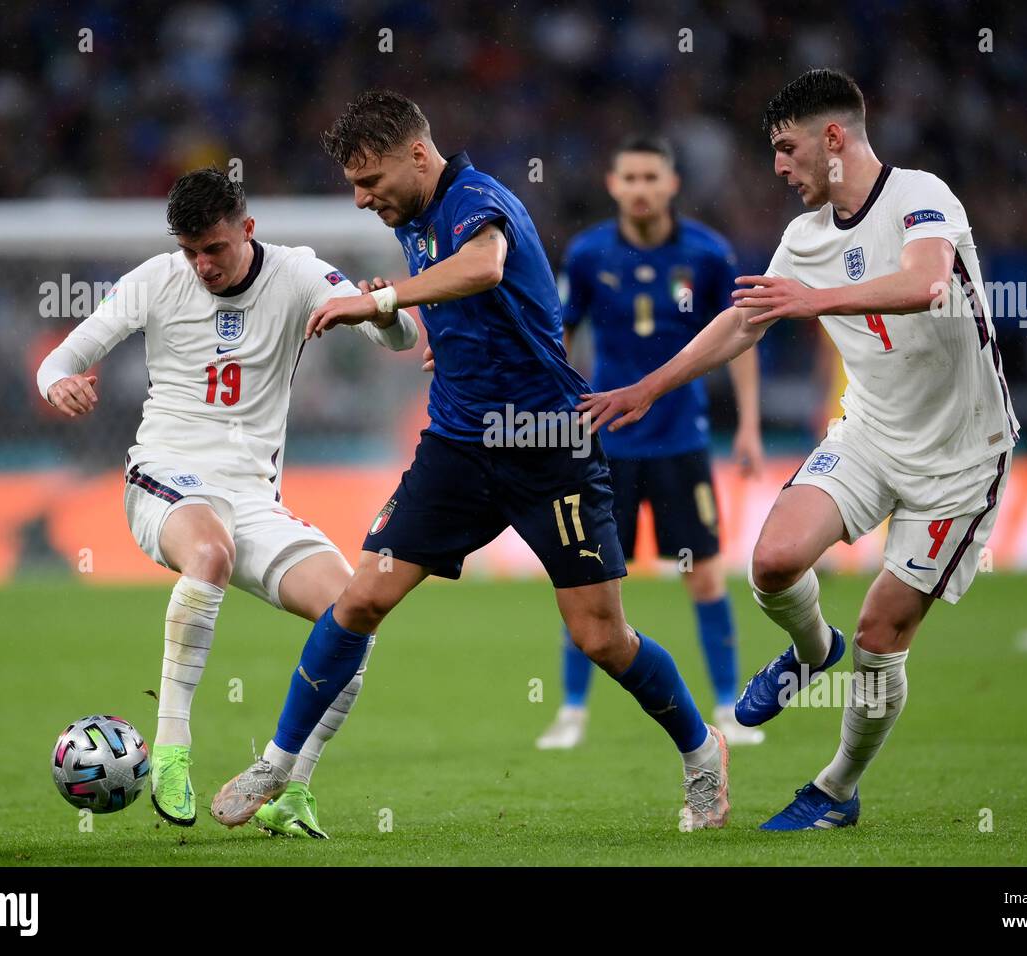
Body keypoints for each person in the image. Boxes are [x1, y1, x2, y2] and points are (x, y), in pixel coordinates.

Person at [211, 90, 730, 834]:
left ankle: (702, 753)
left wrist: (381, 300)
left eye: (369, 181)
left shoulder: (475, 200)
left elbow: (484, 266)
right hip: (456, 449)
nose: (360, 200)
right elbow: (478, 297)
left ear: (418, 155)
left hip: (546, 446)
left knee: (601, 638)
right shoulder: (417, 214)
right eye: (353, 186)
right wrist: (444, 336)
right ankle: (278, 760)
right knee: (359, 599)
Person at [579, 69, 1017, 830]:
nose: (778, 168)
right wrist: (649, 386)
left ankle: (836, 789)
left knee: (883, 635)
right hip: (872, 434)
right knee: (774, 561)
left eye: (787, 149)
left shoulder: (921, 196)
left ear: (834, 139)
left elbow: (925, 283)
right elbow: (744, 321)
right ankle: (812, 652)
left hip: (961, 459)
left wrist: (814, 300)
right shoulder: (804, 237)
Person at [36, 167, 419, 836]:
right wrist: (59, 385)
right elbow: (60, 360)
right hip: (165, 480)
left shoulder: (299, 275)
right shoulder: (157, 280)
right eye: (190, 251)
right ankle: (173, 752)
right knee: (210, 552)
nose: (202, 265)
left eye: (214, 248)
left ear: (247, 229)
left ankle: (292, 790)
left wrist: (382, 307)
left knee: (355, 614)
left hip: (255, 501)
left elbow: (401, 339)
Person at [537, 134, 766, 751]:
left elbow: (742, 335)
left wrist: (747, 424)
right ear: (613, 185)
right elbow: (556, 334)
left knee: (705, 576)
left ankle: (729, 707)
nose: (640, 189)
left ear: (672, 184)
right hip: (607, 444)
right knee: (587, 578)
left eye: (650, 178)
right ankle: (572, 712)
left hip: (680, 442)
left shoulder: (709, 254)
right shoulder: (587, 256)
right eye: (629, 178)